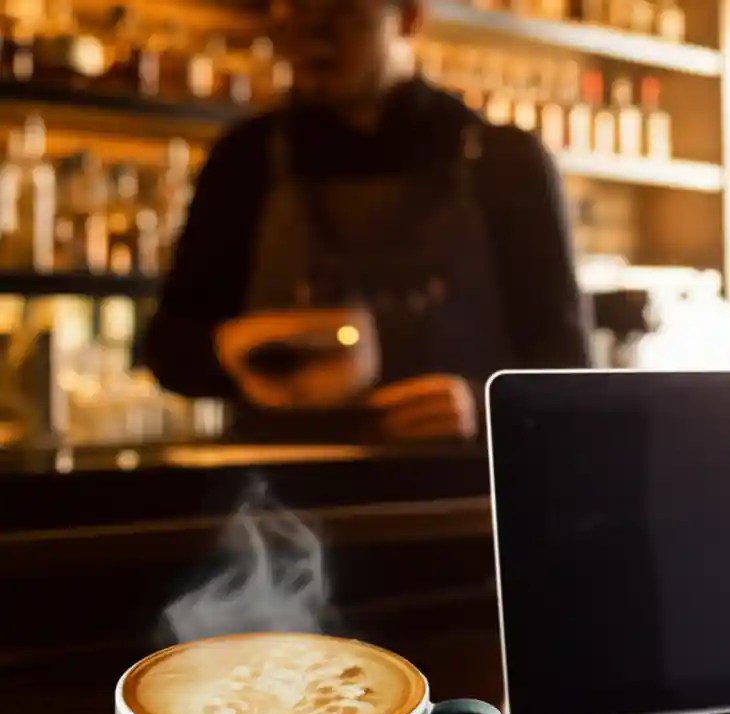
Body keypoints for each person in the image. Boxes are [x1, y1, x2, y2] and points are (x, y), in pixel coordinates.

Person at [143, 0, 589, 440]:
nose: (314, 40)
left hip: (454, 496)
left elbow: (570, 377)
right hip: (277, 499)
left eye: (343, 14)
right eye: (296, 14)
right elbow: (167, 351)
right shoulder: (244, 159)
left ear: (411, 18)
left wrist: (481, 406)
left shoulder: (504, 161)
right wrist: (228, 351)